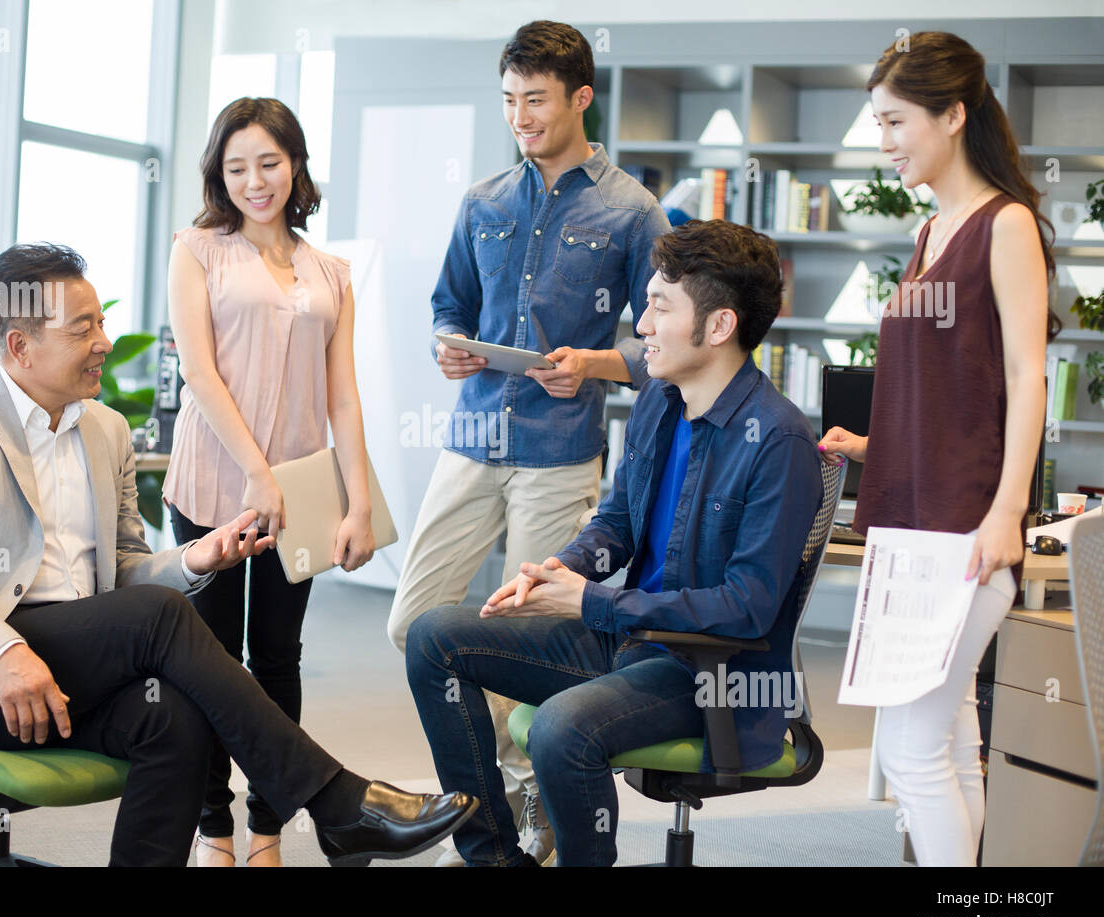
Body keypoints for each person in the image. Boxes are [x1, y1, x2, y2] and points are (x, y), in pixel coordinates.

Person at [0, 242, 476, 867]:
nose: (104, 340)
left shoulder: (105, 430)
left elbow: (124, 568)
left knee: (174, 718)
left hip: (76, 671)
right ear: (20, 346)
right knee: (158, 617)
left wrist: (191, 561)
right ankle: (336, 802)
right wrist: (3, 651)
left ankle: (333, 809)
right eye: (84, 328)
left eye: (100, 321)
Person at [406, 220, 822, 865]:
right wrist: (560, 571)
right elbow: (620, 523)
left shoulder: (777, 441)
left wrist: (594, 604)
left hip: (707, 673)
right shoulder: (661, 397)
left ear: (718, 327)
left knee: (559, 729)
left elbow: (747, 608)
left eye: (659, 308)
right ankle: (492, 857)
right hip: (631, 640)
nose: (642, 328)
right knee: (435, 638)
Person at [386, 19, 672, 865]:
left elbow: (669, 344)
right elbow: (449, 302)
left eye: (537, 100)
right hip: (472, 437)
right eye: (509, 100)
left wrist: (594, 361)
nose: (521, 116)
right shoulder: (481, 200)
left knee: (533, 634)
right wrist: (447, 341)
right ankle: (510, 778)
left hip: (560, 454)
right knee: (414, 623)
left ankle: (517, 800)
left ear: (581, 97)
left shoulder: (631, 210)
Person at [818, 31, 1053, 866]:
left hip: (964, 528)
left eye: (894, 122)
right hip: (910, 519)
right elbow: (956, 388)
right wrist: (878, 440)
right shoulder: (928, 233)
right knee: (950, 741)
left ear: (953, 115)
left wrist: (1005, 516)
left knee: (913, 751)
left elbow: (1028, 380)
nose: (883, 143)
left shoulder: (1007, 223)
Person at [162, 97, 375, 867]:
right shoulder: (197, 250)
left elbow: (343, 395)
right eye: (238, 166)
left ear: (296, 165)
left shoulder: (332, 273)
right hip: (214, 483)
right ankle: (212, 828)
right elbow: (200, 371)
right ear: (220, 174)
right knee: (212, 661)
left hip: (302, 494)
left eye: (270, 163)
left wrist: (357, 504)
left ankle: (266, 832)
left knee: (277, 659)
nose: (256, 181)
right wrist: (256, 474)